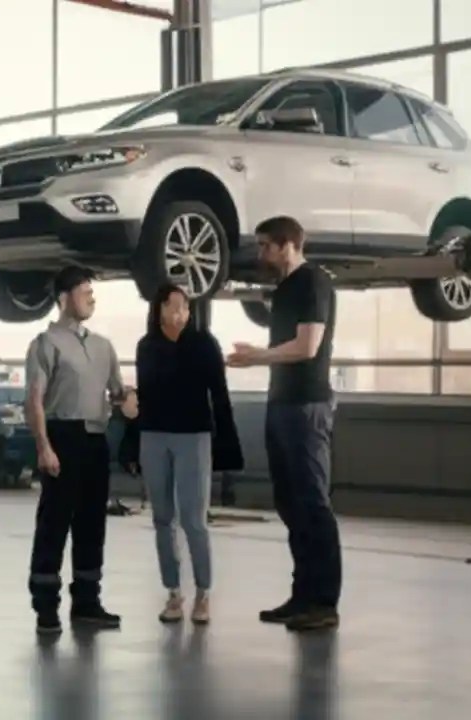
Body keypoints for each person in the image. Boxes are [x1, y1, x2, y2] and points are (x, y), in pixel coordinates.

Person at [226, 215, 342, 632]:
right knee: (290, 502)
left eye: (265, 246)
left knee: (312, 502)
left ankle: (323, 603)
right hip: (283, 403)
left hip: (306, 407)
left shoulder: (313, 283)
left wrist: (258, 355)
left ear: (288, 244)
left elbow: (308, 346)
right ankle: (303, 596)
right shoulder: (287, 288)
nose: (261, 254)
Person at [24, 265, 136, 635]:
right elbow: (35, 400)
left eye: (92, 290)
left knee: (92, 523)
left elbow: (120, 395)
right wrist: (44, 447)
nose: (91, 296)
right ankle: (46, 606)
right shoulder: (45, 344)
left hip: (95, 440)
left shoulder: (104, 346)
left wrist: (130, 401)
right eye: (84, 290)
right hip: (62, 436)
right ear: (63, 298)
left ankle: (87, 602)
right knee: (54, 523)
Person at [132, 283, 243, 625]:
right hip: (154, 436)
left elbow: (219, 396)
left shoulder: (204, 345)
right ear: (160, 309)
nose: (181, 313)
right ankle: (173, 593)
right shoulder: (147, 346)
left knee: (194, 519)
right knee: (162, 518)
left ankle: (204, 593)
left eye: (185, 307)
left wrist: (227, 444)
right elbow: (144, 395)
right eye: (174, 306)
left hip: (193, 436)